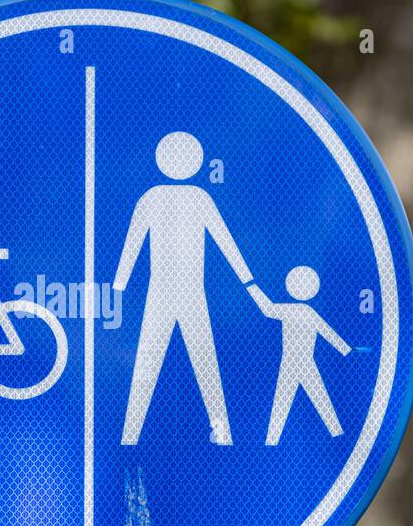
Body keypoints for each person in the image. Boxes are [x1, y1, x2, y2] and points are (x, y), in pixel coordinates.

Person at [113, 132, 255, 445]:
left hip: (177, 291)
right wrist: (118, 286)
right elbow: (227, 245)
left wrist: (118, 288)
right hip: (175, 291)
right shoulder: (192, 198)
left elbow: (225, 243)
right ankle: (219, 434)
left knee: (175, 359)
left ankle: (132, 436)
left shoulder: (158, 197)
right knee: (183, 359)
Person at [248, 266, 350, 444]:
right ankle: (273, 441)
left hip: (300, 362)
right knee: (299, 398)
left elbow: (267, 308)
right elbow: (328, 333)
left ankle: (272, 440)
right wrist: (346, 350)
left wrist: (252, 286)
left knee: (295, 399)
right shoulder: (304, 311)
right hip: (294, 362)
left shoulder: (298, 311)